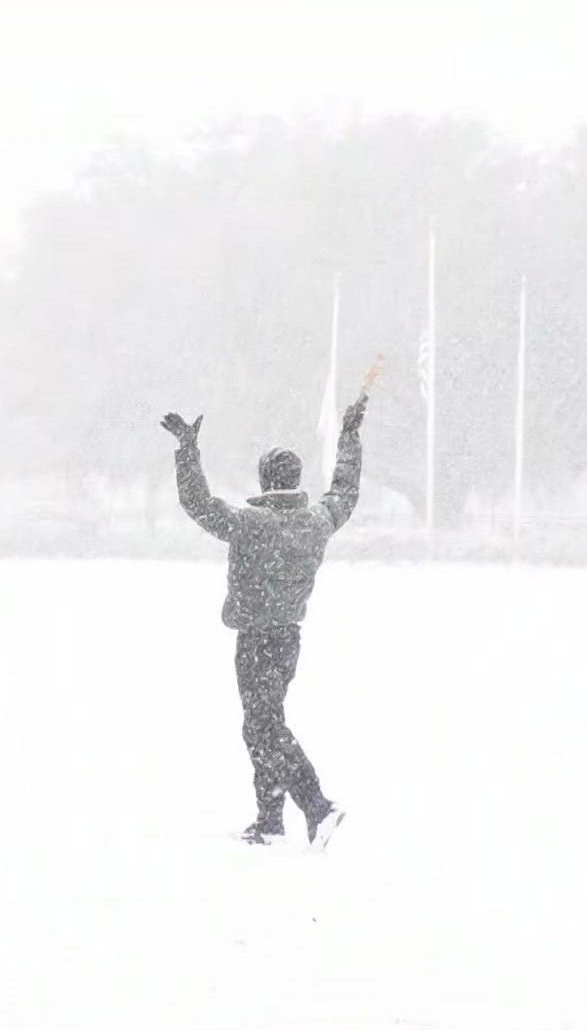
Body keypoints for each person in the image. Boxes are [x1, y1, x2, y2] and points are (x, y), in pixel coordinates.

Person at [162, 359, 380, 849]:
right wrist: (350, 437)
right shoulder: (317, 521)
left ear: (265, 481)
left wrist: (187, 450)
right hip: (288, 639)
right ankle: (270, 821)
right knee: (262, 724)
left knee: (263, 725)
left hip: (256, 639)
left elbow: (197, 504)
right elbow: (345, 491)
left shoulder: (248, 524)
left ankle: (316, 806)